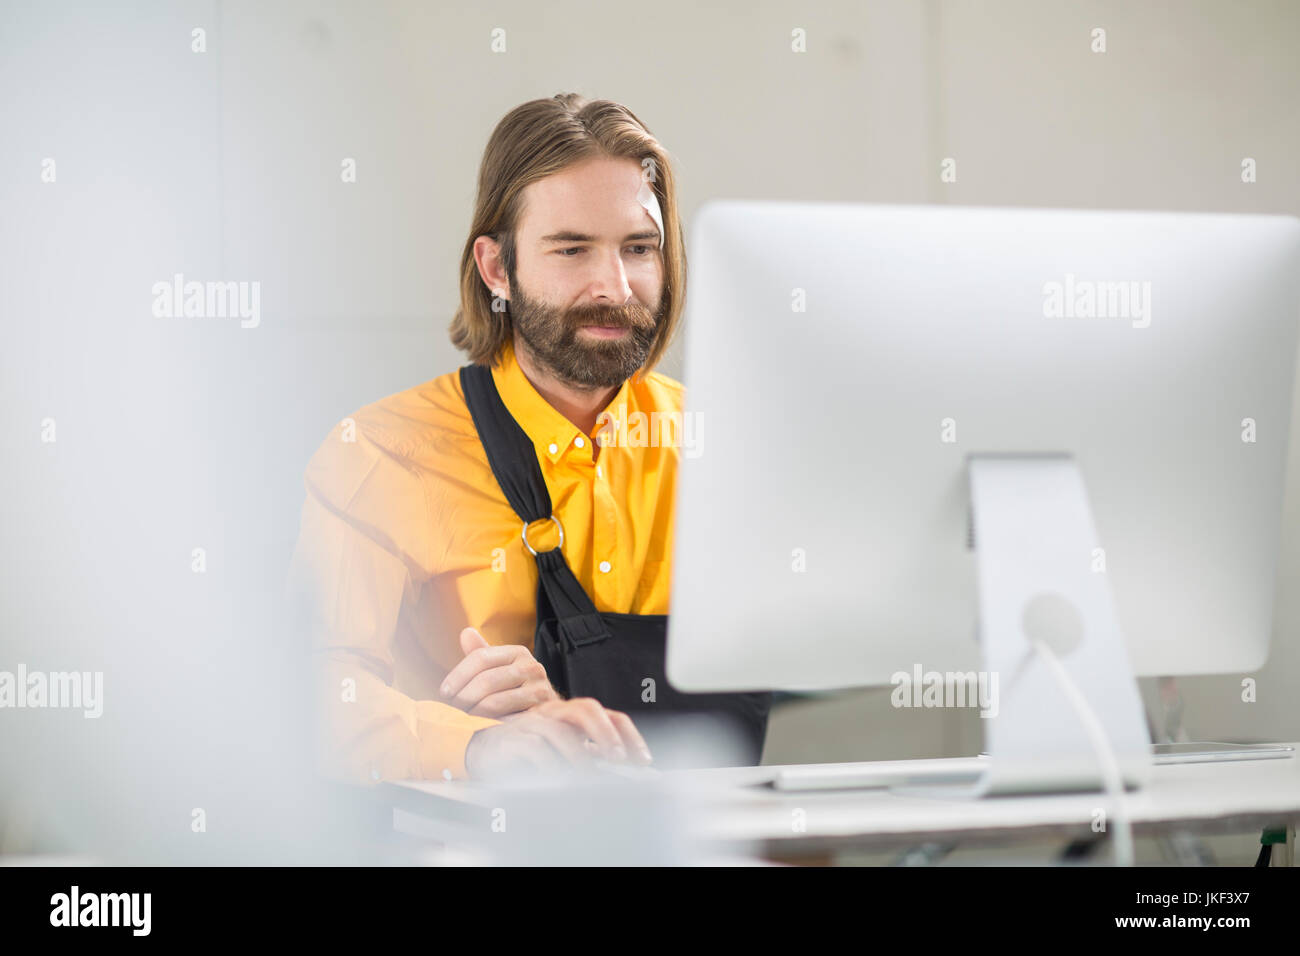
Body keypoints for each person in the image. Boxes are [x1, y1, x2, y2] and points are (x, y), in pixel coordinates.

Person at [288, 92, 766, 786]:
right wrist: (476, 745)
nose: (615, 286)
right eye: (572, 249)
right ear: (497, 269)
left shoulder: (721, 448)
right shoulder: (380, 454)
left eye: (639, 249)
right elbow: (310, 694)